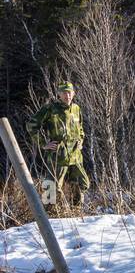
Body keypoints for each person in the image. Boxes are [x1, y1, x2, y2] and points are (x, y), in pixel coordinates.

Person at [25, 81, 89, 211]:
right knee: (52, 187)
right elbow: (31, 126)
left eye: (69, 92)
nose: (67, 95)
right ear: (59, 94)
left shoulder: (76, 109)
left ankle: (76, 211)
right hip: (58, 154)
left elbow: (80, 128)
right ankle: (48, 215)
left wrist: (81, 140)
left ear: (73, 93)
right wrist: (43, 144)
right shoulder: (50, 109)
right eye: (64, 92)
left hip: (75, 155)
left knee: (82, 184)